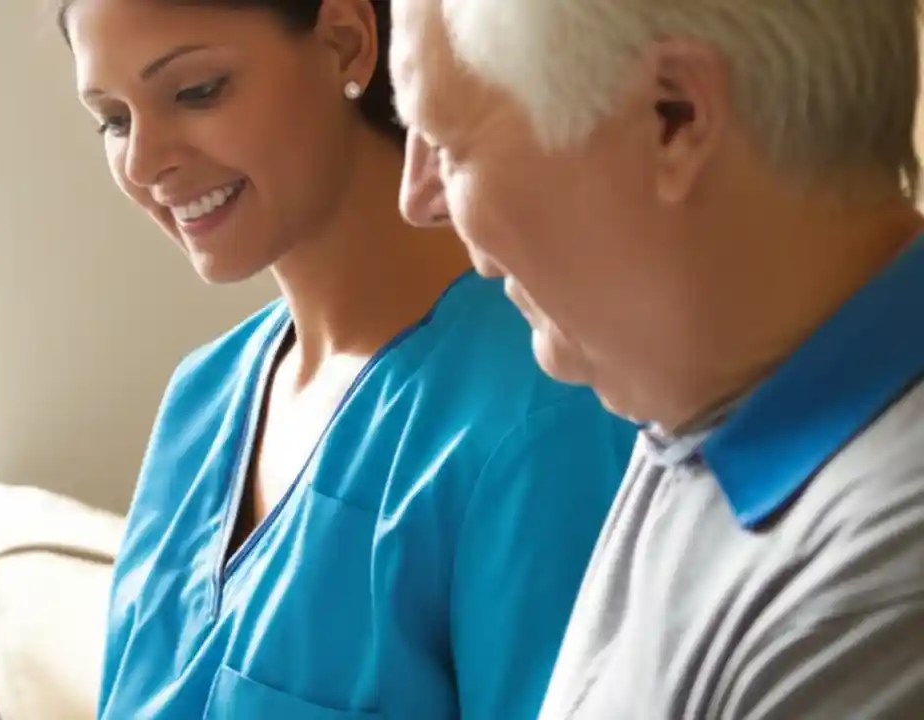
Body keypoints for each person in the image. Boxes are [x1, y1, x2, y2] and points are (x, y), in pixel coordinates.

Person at [0, 1, 636, 719]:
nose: (145, 162)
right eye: (112, 119)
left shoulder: (538, 412)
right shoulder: (205, 400)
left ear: (345, 42)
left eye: (196, 89)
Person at [392, 0, 924, 716]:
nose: (416, 199)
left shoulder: (871, 597)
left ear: (673, 115)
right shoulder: (705, 390)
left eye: (450, 147)